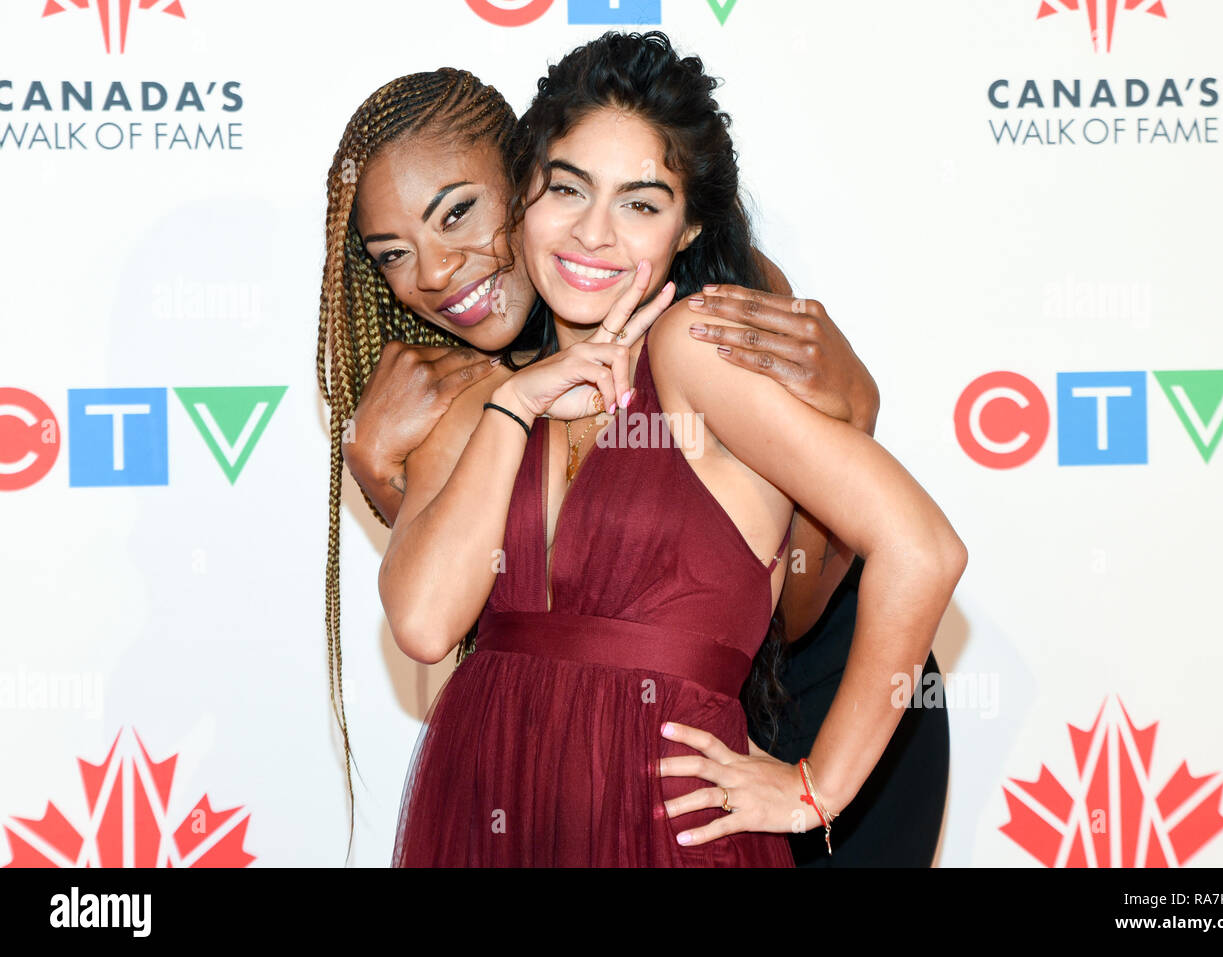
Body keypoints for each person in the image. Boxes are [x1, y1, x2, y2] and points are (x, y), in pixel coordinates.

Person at [318, 69, 955, 865]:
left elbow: (830, 576)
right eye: (395, 253)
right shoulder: (471, 392)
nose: (439, 269)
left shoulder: (711, 319)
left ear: (511, 182)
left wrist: (812, 784)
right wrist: (390, 470)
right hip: (519, 784)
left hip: (807, 669)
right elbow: (438, 615)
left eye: (459, 213)